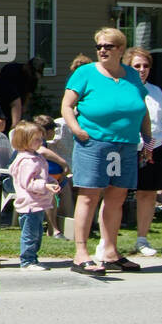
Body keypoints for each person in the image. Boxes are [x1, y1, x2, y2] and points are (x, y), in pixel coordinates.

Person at [61, 28, 151, 275]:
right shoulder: (85, 73)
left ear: (120, 49)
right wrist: (78, 130)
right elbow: (67, 105)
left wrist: (149, 140)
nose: (102, 50)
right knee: (89, 195)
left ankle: (110, 252)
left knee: (117, 196)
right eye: (99, 46)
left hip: (126, 143)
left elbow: (142, 111)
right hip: (94, 142)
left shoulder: (132, 75)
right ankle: (81, 254)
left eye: (108, 46)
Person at [7, 121, 61, 271]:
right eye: (36, 139)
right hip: (30, 204)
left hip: (38, 203)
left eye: (41, 139)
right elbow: (28, 183)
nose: (41, 142)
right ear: (24, 141)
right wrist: (45, 185)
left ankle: (33, 259)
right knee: (30, 235)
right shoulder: (27, 161)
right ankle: (27, 261)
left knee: (37, 234)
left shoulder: (36, 157)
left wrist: (51, 181)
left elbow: (42, 176)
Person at [127, 47, 162, 255]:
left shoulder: (156, 91)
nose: (142, 70)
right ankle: (108, 241)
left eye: (145, 66)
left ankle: (142, 239)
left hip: (153, 149)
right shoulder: (123, 87)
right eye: (137, 66)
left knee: (148, 194)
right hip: (129, 147)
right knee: (116, 193)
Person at [33, 114, 70, 236]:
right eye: (53, 130)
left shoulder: (43, 141)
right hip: (34, 179)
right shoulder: (34, 139)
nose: (54, 133)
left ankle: (70, 224)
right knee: (50, 192)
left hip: (51, 176)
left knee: (66, 189)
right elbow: (41, 151)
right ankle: (53, 229)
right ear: (46, 131)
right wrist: (63, 163)